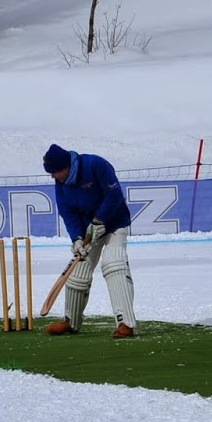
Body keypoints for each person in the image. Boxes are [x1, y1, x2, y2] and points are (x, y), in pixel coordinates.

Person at [42, 143, 137, 338]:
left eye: (55, 172)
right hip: (88, 232)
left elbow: (114, 194)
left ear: (65, 166)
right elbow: (67, 212)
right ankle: (71, 322)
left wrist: (100, 220)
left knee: (114, 264)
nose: (53, 177)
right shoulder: (61, 183)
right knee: (77, 273)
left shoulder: (96, 165)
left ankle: (126, 324)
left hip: (113, 223)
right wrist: (77, 239)